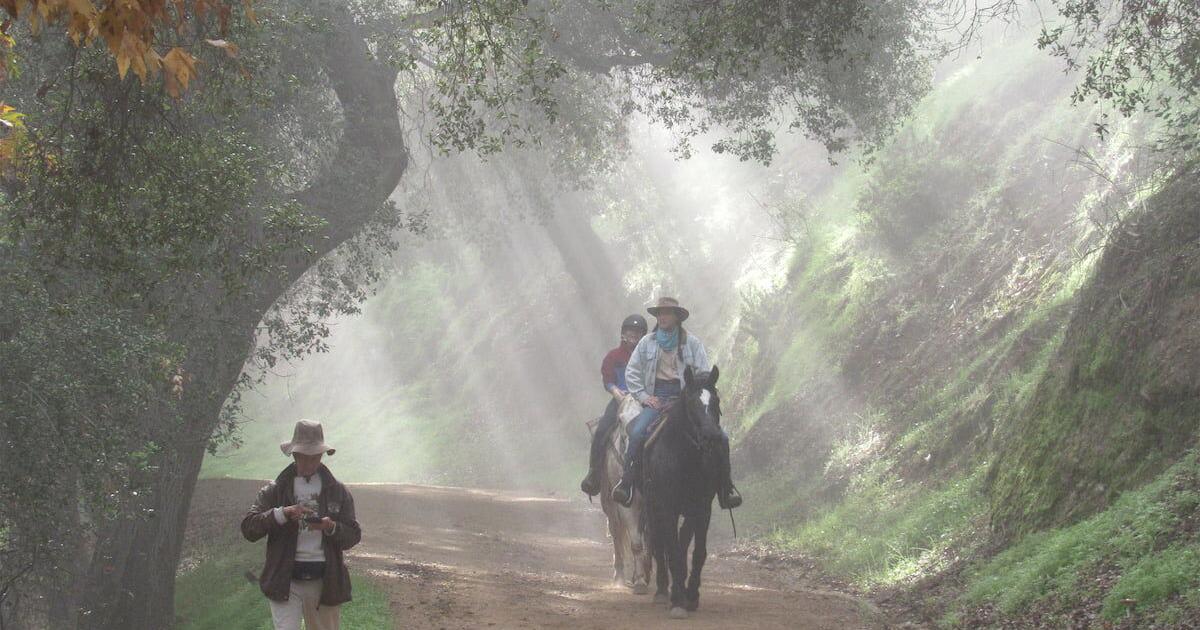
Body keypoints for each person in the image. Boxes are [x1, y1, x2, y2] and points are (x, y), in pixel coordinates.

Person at [611, 297, 743, 510]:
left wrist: (695, 393)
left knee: (721, 437)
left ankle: (725, 488)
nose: (662, 317)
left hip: (687, 398)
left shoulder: (692, 343)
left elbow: (703, 372)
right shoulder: (647, 342)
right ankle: (627, 483)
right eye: (659, 313)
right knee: (637, 433)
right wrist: (645, 397)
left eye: (667, 313)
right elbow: (632, 372)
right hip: (657, 398)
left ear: (676, 317)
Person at [241, 419, 362, 630]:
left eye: (314, 458)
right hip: (285, 580)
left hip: (325, 582)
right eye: (304, 458)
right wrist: (282, 514)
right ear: (295, 455)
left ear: (322, 456)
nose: (309, 463)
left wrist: (331, 527)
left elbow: (353, 535)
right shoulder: (275, 490)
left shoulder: (337, 490)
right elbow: (249, 528)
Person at [580, 314, 650, 496]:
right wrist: (614, 391)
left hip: (643, 400)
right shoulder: (613, 356)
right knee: (602, 430)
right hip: (619, 399)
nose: (634, 335)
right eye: (630, 331)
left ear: (644, 335)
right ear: (623, 334)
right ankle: (594, 474)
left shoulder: (648, 356)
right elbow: (607, 379)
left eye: (638, 332)